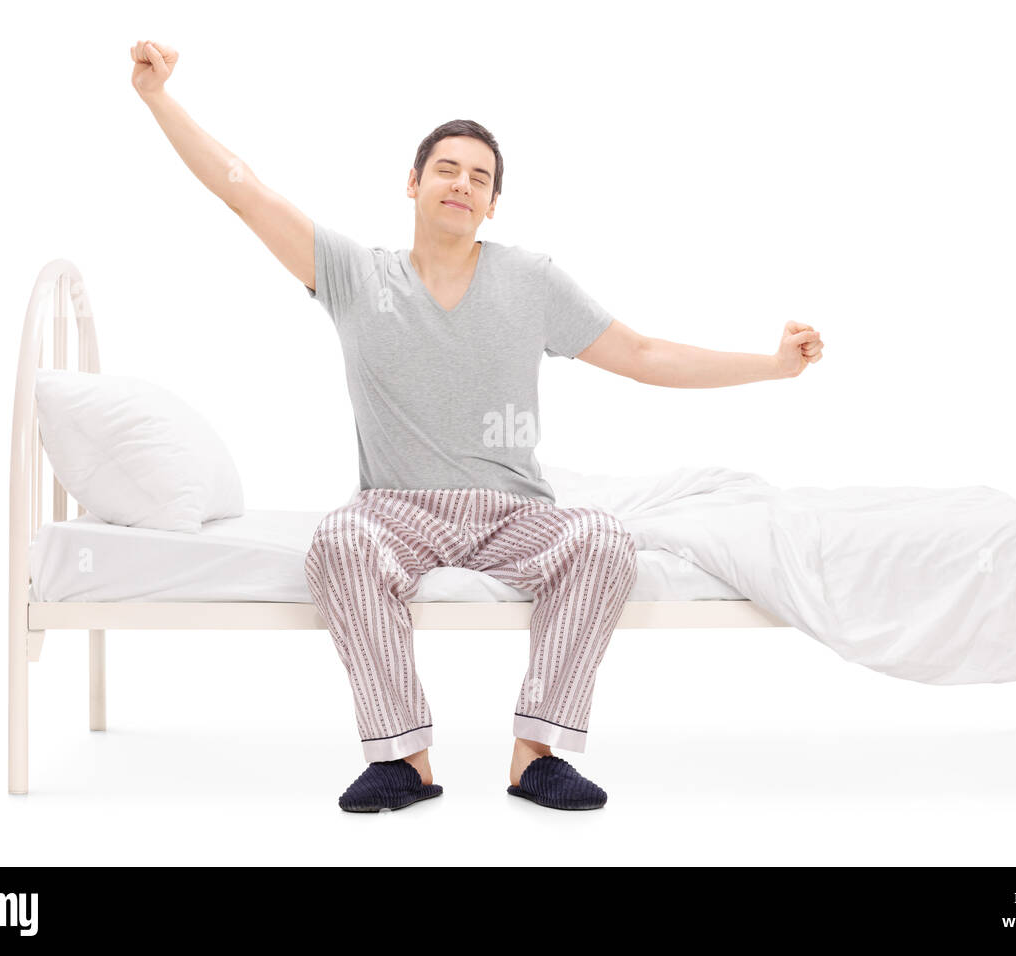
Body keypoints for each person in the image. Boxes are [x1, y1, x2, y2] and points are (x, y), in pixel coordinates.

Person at [130, 39, 825, 812]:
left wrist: (772, 366)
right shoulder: (358, 276)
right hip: (397, 510)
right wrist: (159, 97)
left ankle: (536, 756)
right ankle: (403, 761)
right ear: (413, 183)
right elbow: (245, 192)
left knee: (601, 539)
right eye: (448, 169)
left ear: (494, 204)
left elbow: (642, 353)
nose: (463, 183)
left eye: (481, 177)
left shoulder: (530, 280)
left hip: (514, 513)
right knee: (338, 541)